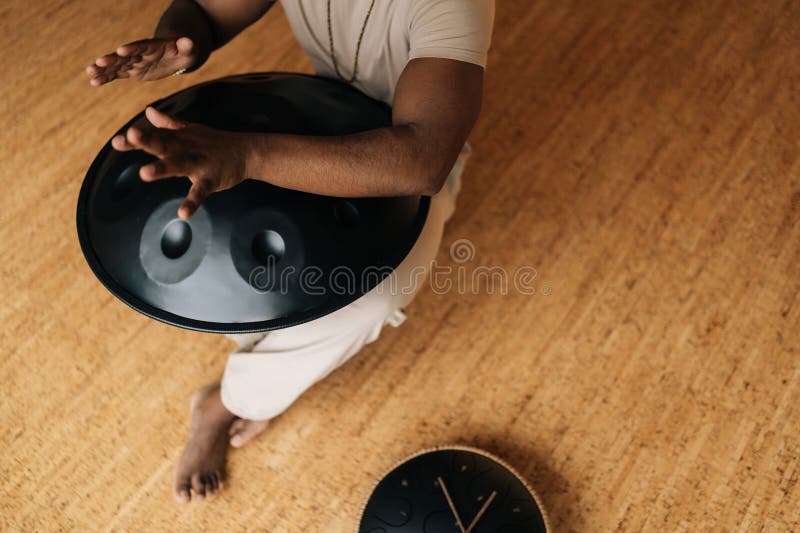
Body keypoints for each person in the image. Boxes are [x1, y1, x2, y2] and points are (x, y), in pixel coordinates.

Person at [87, 0, 494, 504]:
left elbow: (422, 160)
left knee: (373, 297)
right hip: (319, 110)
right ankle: (271, 352)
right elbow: (205, 12)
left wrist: (249, 155)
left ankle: (227, 402)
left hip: (400, 160)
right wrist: (179, 41)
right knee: (238, 261)